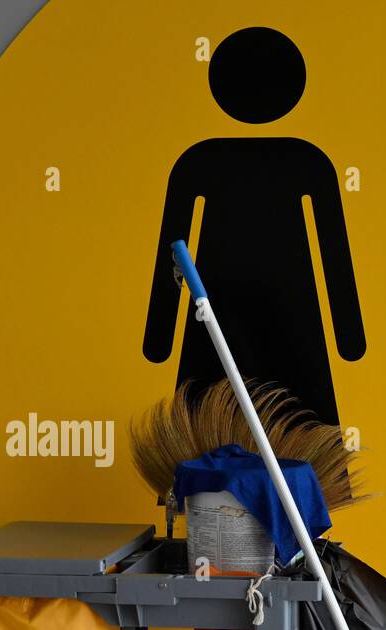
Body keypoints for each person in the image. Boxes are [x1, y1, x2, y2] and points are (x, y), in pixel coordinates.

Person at [143, 26, 364, 424]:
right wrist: (349, 336)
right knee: (285, 427)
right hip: (266, 315)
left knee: (226, 431)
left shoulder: (202, 160)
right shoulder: (305, 160)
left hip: (248, 312)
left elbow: (173, 246)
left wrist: (158, 338)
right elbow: (332, 252)